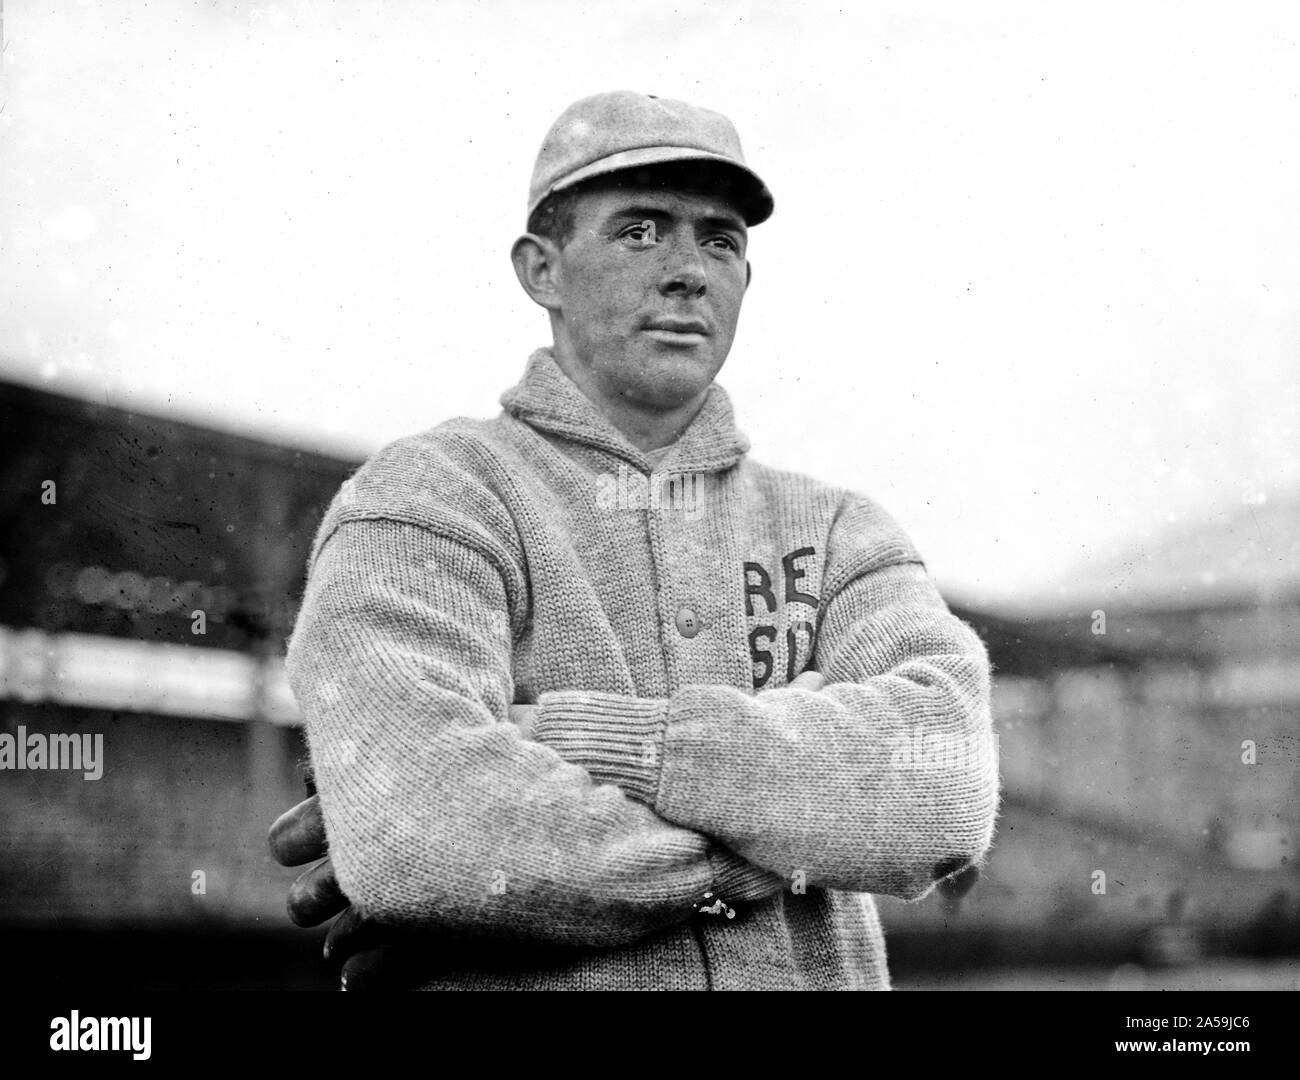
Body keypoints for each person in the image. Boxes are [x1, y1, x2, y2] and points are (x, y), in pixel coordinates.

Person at [267, 89, 1000, 991]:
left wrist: (586, 741)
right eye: (642, 230)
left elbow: (946, 785)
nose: (690, 269)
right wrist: (802, 843)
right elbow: (426, 837)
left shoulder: (840, 529)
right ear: (542, 269)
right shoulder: (427, 499)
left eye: (720, 240)